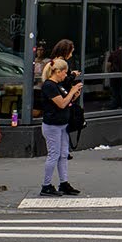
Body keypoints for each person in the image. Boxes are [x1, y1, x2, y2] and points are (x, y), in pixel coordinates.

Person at [40, 59, 82, 196]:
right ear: (57, 72)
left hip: (63, 124)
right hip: (52, 125)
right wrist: (72, 91)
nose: (66, 75)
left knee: (63, 154)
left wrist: (74, 96)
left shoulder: (59, 85)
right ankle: (46, 185)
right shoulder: (49, 86)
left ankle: (64, 183)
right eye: (64, 73)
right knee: (54, 155)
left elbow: (67, 101)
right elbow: (61, 104)